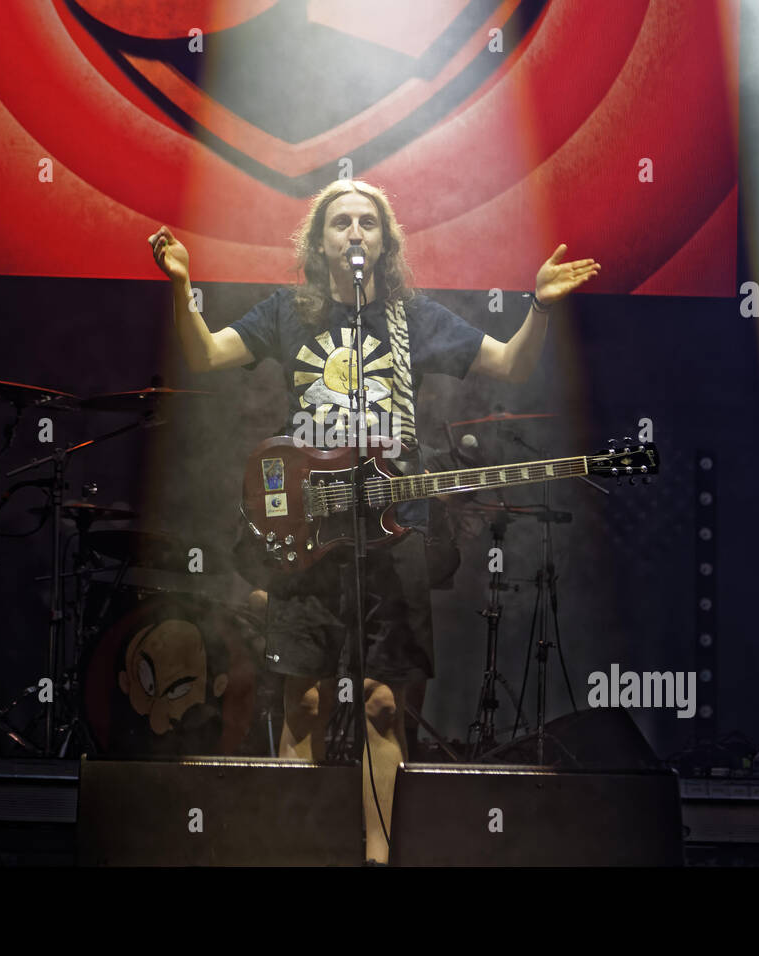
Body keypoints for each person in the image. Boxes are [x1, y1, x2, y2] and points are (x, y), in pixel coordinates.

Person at [147, 180, 598, 862]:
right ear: (319, 241)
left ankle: (376, 859)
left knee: (385, 705)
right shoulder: (287, 312)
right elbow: (206, 353)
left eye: (367, 223)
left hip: (394, 530)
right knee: (304, 702)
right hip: (311, 533)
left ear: (384, 243)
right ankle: (295, 853)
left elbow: (510, 362)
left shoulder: (411, 319)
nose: (354, 233)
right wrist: (182, 287)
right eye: (340, 223)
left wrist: (537, 305)